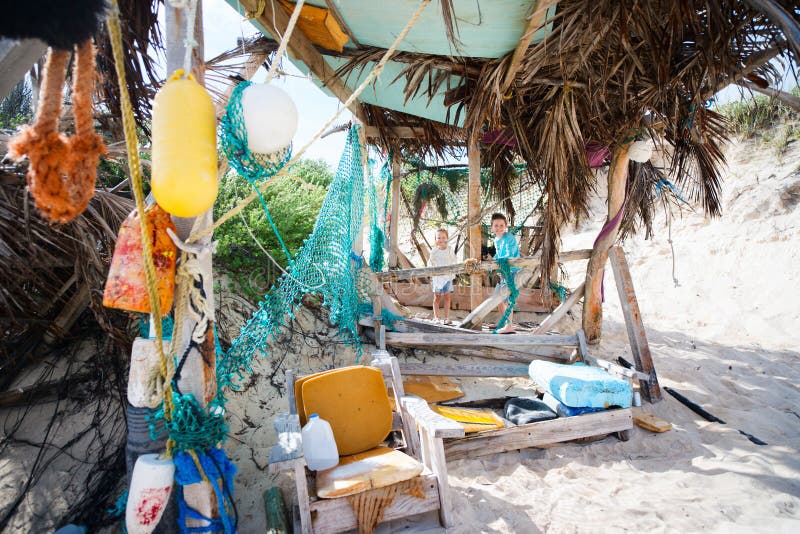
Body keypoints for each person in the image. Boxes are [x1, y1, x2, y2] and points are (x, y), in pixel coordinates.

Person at [490, 213, 519, 334]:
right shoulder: (496, 239)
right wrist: (493, 260)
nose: (499, 228)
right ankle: (504, 321)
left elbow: (509, 254)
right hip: (503, 271)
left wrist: (498, 260)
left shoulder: (509, 238)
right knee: (499, 299)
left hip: (511, 271)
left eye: (501, 225)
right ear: (491, 227)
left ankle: (509, 326)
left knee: (507, 299)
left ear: (506, 226)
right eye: (496, 225)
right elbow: (499, 254)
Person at [427, 228, 457, 324]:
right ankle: (436, 317)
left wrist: (452, 274)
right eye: (438, 237)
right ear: (436, 239)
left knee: (447, 297)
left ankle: (446, 318)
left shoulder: (449, 250)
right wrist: (431, 272)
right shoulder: (434, 251)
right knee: (437, 298)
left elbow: (454, 261)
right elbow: (430, 263)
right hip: (437, 278)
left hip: (447, 278)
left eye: (443, 237)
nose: (441, 240)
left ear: (447, 238)